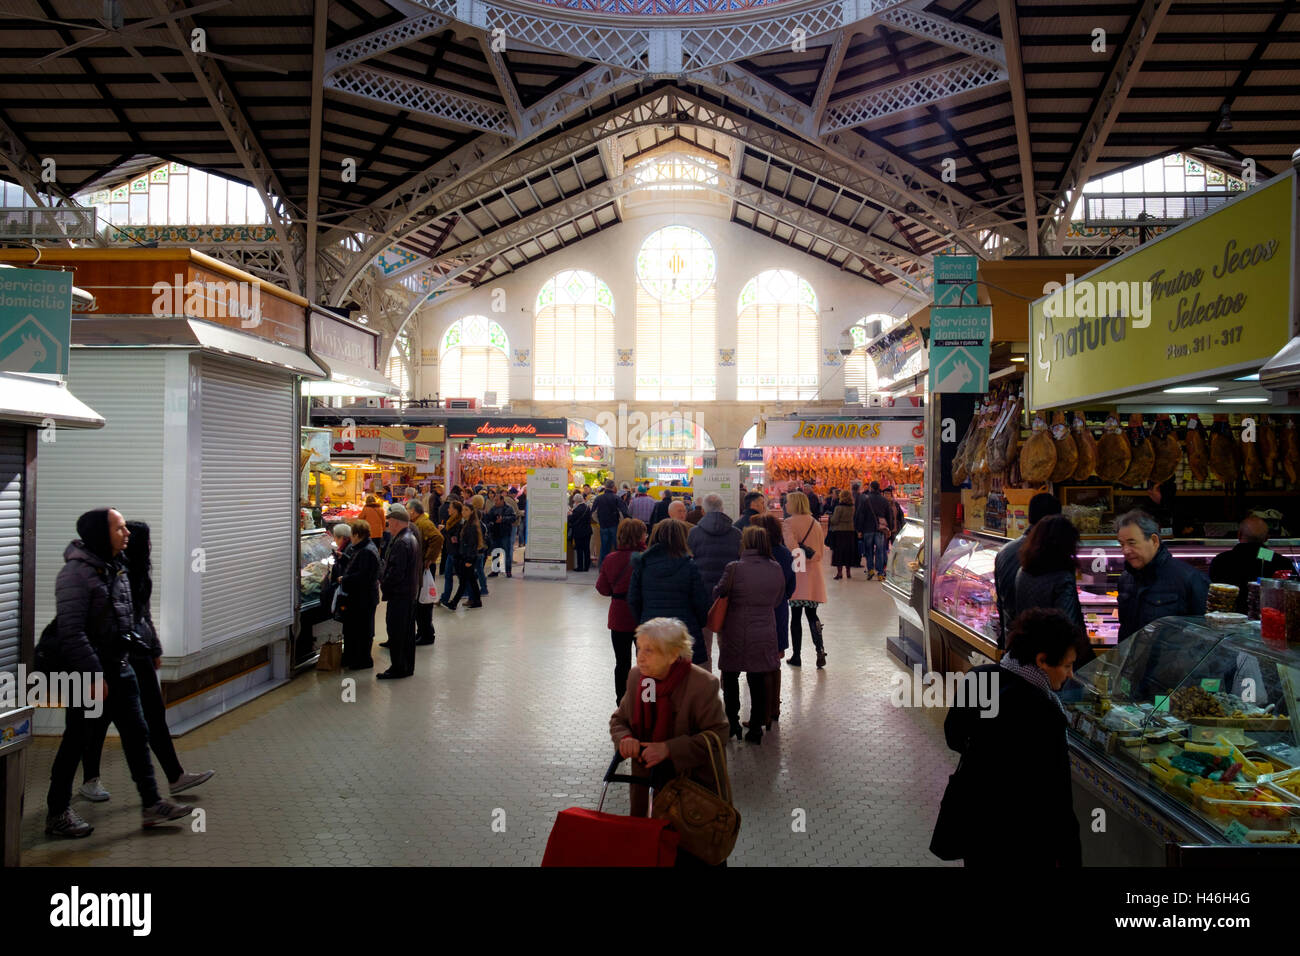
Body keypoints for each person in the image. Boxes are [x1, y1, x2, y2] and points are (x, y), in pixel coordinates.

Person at [44, 508, 194, 837]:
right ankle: (57, 812)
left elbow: (129, 617)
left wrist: (143, 649)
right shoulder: (75, 575)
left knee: (138, 736)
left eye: (126, 527)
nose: (127, 533)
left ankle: (152, 804)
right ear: (101, 533)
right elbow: (72, 632)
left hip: (120, 668)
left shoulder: (117, 569)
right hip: (88, 675)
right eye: (119, 528)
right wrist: (95, 675)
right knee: (76, 742)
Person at [78, 521, 215, 805]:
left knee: (151, 716)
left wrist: (154, 648)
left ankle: (174, 777)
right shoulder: (114, 571)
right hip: (114, 659)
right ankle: (90, 781)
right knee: (98, 722)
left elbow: (142, 615)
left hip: (136, 654)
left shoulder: (137, 573)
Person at [937, 608, 1081, 868]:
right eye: (1068, 666)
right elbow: (1056, 794)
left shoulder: (981, 677)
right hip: (1023, 841)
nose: (1070, 675)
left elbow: (954, 736)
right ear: (1042, 660)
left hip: (977, 826)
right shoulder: (1044, 710)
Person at [609, 618, 730, 866]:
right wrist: (626, 738)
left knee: (685, 856)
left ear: (674, 654)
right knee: (649, 852)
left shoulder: (702, 685)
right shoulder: (638, 679)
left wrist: (669, 749)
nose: (640, 657)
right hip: (647, 787)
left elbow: (718, 734)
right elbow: (619, 720)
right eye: (639, 648)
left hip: (690, 795)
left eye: (649, 650)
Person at [714, 526, 785, 745]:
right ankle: (756, 727)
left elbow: (719, 592)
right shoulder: (776, 568)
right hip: (764, 628)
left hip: (735, 628)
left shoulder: (734, 568)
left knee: (731, 676)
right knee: (758, 678)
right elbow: (778, 599)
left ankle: (733, 722)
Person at [628, 519, 710, 668]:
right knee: (683, 681)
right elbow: (700, 601)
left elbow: (633, 599)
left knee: (654, 678)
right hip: (683, 631)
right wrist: (699, 623)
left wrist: (643, 619)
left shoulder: (642, 564)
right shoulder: (689, 565)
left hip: (650, 630)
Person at [1116, 510, 1209, 641]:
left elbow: (1205, 636)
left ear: (1154, 541)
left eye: (1132, 543)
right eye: (1122, 544)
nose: (1125, 550)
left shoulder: (1190, 579)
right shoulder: (1126, 579)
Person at [1014, 515, 1093, 667]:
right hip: (1057, 660)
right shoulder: (1063, 578)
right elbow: (1068, 625)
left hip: (1030, 653)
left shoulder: (1022, 572)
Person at [994, 492, 1061, 642]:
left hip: (1013, 640)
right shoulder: (1053, 553)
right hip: (1045, 645)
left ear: (1029, 517)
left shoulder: (1005, 551)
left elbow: (1001, 602)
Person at [687, 493, 742, 671]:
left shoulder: (694, 533)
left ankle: (706, 686)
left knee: (703, 645)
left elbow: (689, 562)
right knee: (728, 643)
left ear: (703, 510)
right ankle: (728, 686)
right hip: (728, 594)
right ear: (723, 508)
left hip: (702, 594)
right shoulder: (736, 534)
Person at [595, 518, 648, 704]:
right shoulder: (647, 557)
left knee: (622, 663)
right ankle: (645, 700)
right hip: (643, 616)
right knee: (647, 663)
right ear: (640, 536)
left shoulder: (611, 559)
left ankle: (622, 701)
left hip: (619, 616)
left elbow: (602, 588)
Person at [751, 513, 795, 726]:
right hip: (779, 610)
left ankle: (760, 712)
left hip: (756, 612)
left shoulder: (752, 556)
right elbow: (791, 586)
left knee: (757, 661)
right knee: (774, 660)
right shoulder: (785, 553)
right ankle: (774, 708)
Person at [1210, 515, 1299, 613]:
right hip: (1268, 618)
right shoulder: (1278, 560)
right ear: (1266, 538)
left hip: (1228, 618)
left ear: (1239, 535)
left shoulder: (1222, 559)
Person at [782, 491, 827, 668]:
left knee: (795, 617)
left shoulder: (788, 523)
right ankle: (820, 649)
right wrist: (812, 558)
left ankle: (797, 655)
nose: (785, 505)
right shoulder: (815, 523)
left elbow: (792, 548)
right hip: (814, 574)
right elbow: (821, 553)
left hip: (798, 572)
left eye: (787, 502)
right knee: (812, 614)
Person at [378, 504, 421, 679]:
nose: (388, 527)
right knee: (407, 633)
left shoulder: (401, 543)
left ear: (395, 522)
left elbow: (396, 572)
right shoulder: (410, 538)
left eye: (389, 523)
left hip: (400, 595)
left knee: (397, 632)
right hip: (409, 593)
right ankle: (406, 666)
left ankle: (398, 667)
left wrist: (385, 584)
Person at [338, 519, 380, 669]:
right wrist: (343, 559)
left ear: (357, 535)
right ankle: (353, 658)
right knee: (358, 629)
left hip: (363, 598)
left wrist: (344, 579)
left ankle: (362, 660)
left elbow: (363, 576)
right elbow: (358, 568)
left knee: (362, 630)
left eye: (352, 535)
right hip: (363, 597)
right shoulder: (365, 547)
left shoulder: (366, 551)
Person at [409, 500, 442, 646]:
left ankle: (427, 634)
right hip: (421, 566)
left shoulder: (424, 523)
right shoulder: (419, 523)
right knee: (420, 601)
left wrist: (430, 557)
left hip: (425, 567)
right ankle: (422, 632)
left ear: (413, 511)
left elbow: (438, 538)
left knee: (424, 602)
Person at [445, 500, 485, 610]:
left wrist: (469, 560)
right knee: (471, 580)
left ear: (472, 512)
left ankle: (454, 603)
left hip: (468, 557)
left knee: (463, 581)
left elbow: (472, 544)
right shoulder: (467, 524)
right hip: (466, 556)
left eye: (466, 510)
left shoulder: (471, 526)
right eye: (463, 510)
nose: (463, 512)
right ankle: (477, 600)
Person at [854, 481, 894, 581]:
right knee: (880, 551)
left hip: (867, 529)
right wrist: (890, 527)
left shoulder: (865, 499)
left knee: (869, 551)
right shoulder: (884, 500)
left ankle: (871, 570)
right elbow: (889, 515)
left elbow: (860, 515)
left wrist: (858, 529)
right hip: (880, 530)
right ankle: (880, 573)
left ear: (871, 488)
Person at [593, 479, 629, 568]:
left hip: (603, 525)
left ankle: (602, 568)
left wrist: (599, 521)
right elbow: (625, 512)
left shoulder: (598, 498)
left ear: (605, 487)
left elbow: (593, 512)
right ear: (613, 487)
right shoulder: (616, 498)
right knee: (617, 547)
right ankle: (616, 567)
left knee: (604, 548)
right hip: (614, 525)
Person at [828, 489, 859, 580]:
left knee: (839, 552)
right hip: (850, 531)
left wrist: (831, 518)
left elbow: (834, 520)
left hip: (839, 532)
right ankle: (848, 573)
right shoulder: (853, 507)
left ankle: (839, 573)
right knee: (848, 552)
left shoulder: (839, 508)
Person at [486, 492, 516, 579]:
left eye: (497, 500)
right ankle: (495, 570)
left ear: (502, 500)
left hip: (505, 534)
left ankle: (508, 571)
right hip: (495, 534)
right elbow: (489, 518)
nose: (495, 502)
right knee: (495, 553)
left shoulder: (509, 508)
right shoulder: (493, 509)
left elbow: (513, 518)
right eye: (494, 500)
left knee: (507, 553)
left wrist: (503, 519)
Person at [439, 498, 463, 600]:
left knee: (459, 575)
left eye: (450, 508)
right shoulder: (451, 521)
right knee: (450, 575)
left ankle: (468, 593)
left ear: (455, 510)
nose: (448, 510)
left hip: (455, 552)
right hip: (451, 551)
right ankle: (445, 596)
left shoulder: (458, 523)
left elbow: (454, 538)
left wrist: (443, 530)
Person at [568, 491, 594, 572]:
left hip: (579, 532)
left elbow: (571, 520)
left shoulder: (576, 510)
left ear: (576, 501)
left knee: (579, 549)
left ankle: (580, 567)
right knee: (586, 549)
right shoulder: (587, 508)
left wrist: (569, 515)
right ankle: (586, 567)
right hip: (587, 531)